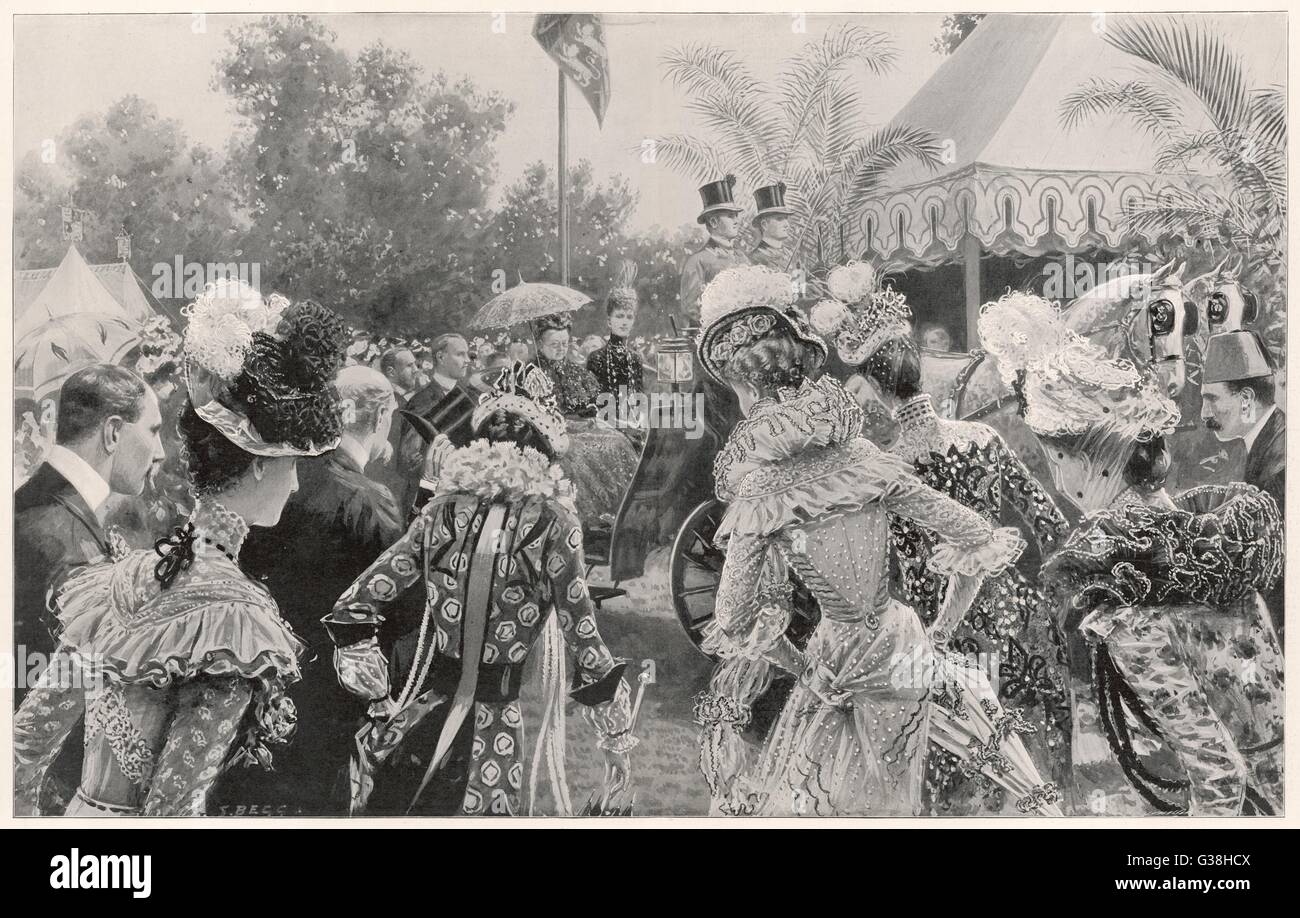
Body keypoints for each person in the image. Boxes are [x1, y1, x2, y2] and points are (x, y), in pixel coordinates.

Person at [692, 266, 1050, 817]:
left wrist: (799, 666)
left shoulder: (761, 491)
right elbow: (976, 537)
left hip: (834, 662)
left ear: (744, 387)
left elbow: (735, 618)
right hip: (902, 647)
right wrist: (938, 633)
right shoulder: (864, 460)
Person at [14, 283, 349, 816]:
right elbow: (173, 810)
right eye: (291, 468)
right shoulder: (233, 615)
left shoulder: (120, 577)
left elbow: (22, 752)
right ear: (260, 463)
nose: (295, 488)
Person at [982, 292, 1284, 816]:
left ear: (1092, 462)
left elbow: (1218, 780)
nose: (1056, 478)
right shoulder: (1207, 534)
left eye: (1056, 459)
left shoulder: (1129, 595)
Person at [323, 361, 637, 816]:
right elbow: (586, 647)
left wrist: (378, 699)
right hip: (495, 733)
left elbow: (354, 608)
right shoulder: (554, 523)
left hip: (421, 715)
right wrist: (617, 740)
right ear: (547, 452)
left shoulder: (442, 510)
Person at [815, 275, 1072, 815]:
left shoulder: (886, 472)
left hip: (936, 638)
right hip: (1018, 621)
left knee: (961, 788)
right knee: (1030, 779)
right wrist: (1058, 603)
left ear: (876, 391)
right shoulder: (983, 438)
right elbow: (1049, 524)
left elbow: (870, 577)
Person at [233, 365, 418, 815]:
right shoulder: (369, 499)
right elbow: (406, 606)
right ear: (379, 421)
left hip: (268, 669)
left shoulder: (285, 476)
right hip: (339, 684)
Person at [14, 364, 166, 699]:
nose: (160, 453)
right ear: (113, 433)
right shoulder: (55, 529)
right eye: (154, 431)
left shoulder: (41, 503)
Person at [1200, 329, 1286, 634]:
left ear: (1246, 398)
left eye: (1212, 400)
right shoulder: (1270, 439)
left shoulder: (1278, 465)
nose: (1204, 414)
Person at [397, 333, 472, 510]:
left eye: (467, 354)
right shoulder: (419, 402)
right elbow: (407, 463)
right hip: (432, 500)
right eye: (460, 354)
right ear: (440, 357)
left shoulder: (471, 397)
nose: (467, 360)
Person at [679, 175, 750, 331]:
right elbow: (692, 310)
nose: (736, 221)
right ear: (713, 222)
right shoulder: (697, 261)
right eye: (730, 216)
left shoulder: (743, 258)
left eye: (736, 215)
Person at [586, 259, 646, 426]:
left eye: (629, 317)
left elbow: (640, 398)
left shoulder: (635, 358)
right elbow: (594, 405)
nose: (624, 322)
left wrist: (638, 421)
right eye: (619, 316)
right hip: (605, 427)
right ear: (609, 321)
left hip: (633, 426)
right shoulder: (596, 358)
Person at [747, 182, 793, 270]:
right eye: (779, 219)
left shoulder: (789, 254)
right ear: (764, 225)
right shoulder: (754, 259)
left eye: (786, 218)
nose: (787, 225)